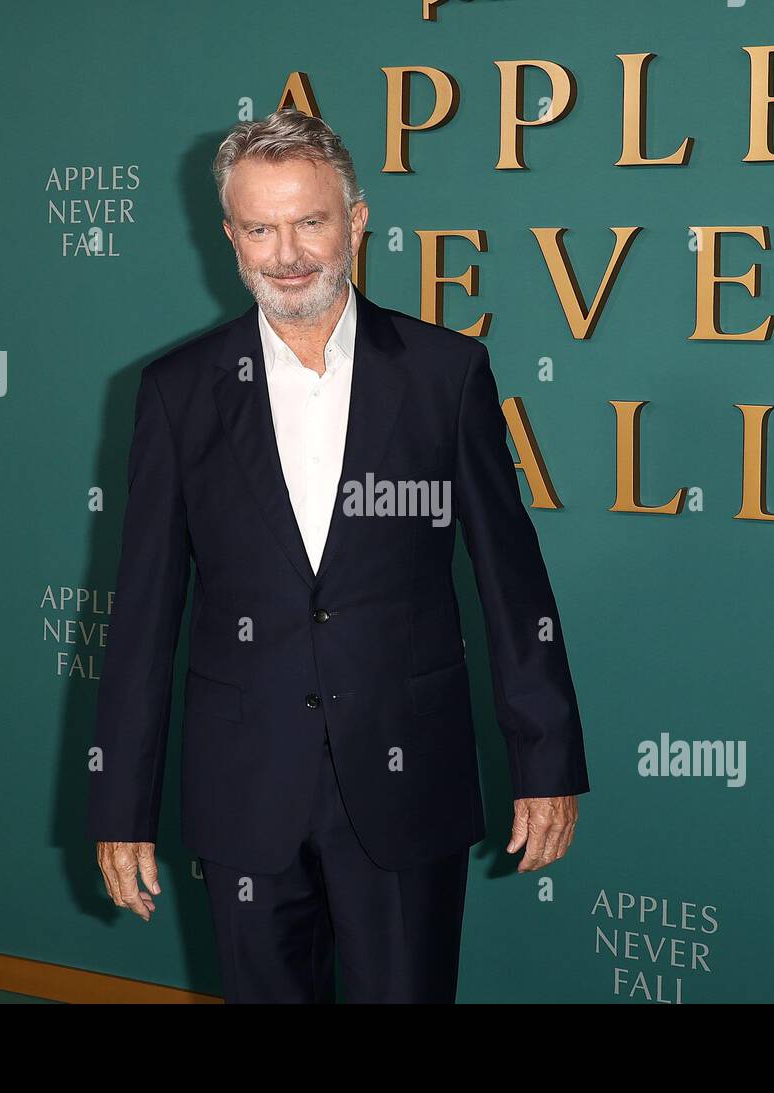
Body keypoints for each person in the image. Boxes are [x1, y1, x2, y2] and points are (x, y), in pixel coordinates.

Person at [87, 107, 590, 1003]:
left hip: (409, 777)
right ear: (231, 237)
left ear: (356, 221)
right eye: (260, 228)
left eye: (310, 221)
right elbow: (144, 613)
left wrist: (545, 760)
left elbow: (514, 580)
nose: (286, 254)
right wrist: (121, 806)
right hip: (244, 789)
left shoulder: (446, 373)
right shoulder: (177, 392)